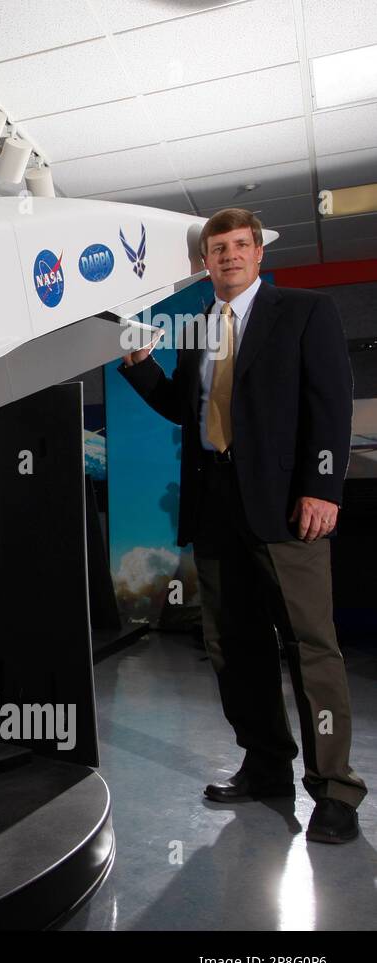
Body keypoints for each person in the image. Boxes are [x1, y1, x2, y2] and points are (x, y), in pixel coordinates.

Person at [118, 207, 366, 843]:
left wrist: (322, 488)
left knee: (310, 646)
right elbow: (186, 406)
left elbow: (330, 405)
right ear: (204, 262)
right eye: (216, 248)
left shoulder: (305, 311)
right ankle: (266, 766)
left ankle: (335, 789)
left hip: (285, 506)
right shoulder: (199, 327)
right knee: (234, 644)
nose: (227, 255)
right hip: (215, 504)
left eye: (238, 245)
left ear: (259, 253)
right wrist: (141, 363)